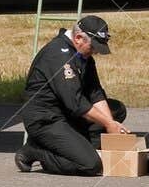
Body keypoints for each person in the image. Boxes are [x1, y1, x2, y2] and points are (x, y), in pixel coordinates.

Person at [16, 15, 131, 176]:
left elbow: (94, 92)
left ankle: (77, 147)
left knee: (117, 110)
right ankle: (36, 150)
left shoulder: (83, 55)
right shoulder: (59, 55)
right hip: (46, 119)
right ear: (78, 38)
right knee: (90, 165)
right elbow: (75, 103)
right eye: (93, 48)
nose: (95, 53)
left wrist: (111, 123)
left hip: (66, 114)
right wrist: (109, 124)